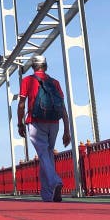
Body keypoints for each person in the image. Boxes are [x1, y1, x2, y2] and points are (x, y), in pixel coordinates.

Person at [17, 55, 71, 202]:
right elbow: (62, 108)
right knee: (47, 155)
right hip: (54, 122)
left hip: (35, 121)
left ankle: (55, 182)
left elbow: (21, 104)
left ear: (33, 67)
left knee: (43, 154)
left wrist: (20, 123)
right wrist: (67, 129)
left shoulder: (27, 80)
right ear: (46, 66)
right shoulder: (55, 82)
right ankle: (48, 195)